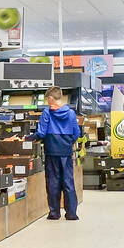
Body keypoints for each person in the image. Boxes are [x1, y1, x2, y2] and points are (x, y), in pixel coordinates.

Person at [35, 86, 81, 221]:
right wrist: (67, 143)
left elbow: (41, 133)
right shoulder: (71, 113)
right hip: (66, 152)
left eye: (47, 99)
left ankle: (54, 213)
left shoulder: (47, 113)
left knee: (53, 182)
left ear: (50, 98)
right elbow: (77, 133)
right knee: (68, 182)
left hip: (51, 152)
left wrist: (28, 139)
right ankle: (71, 213)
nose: (47, 102)